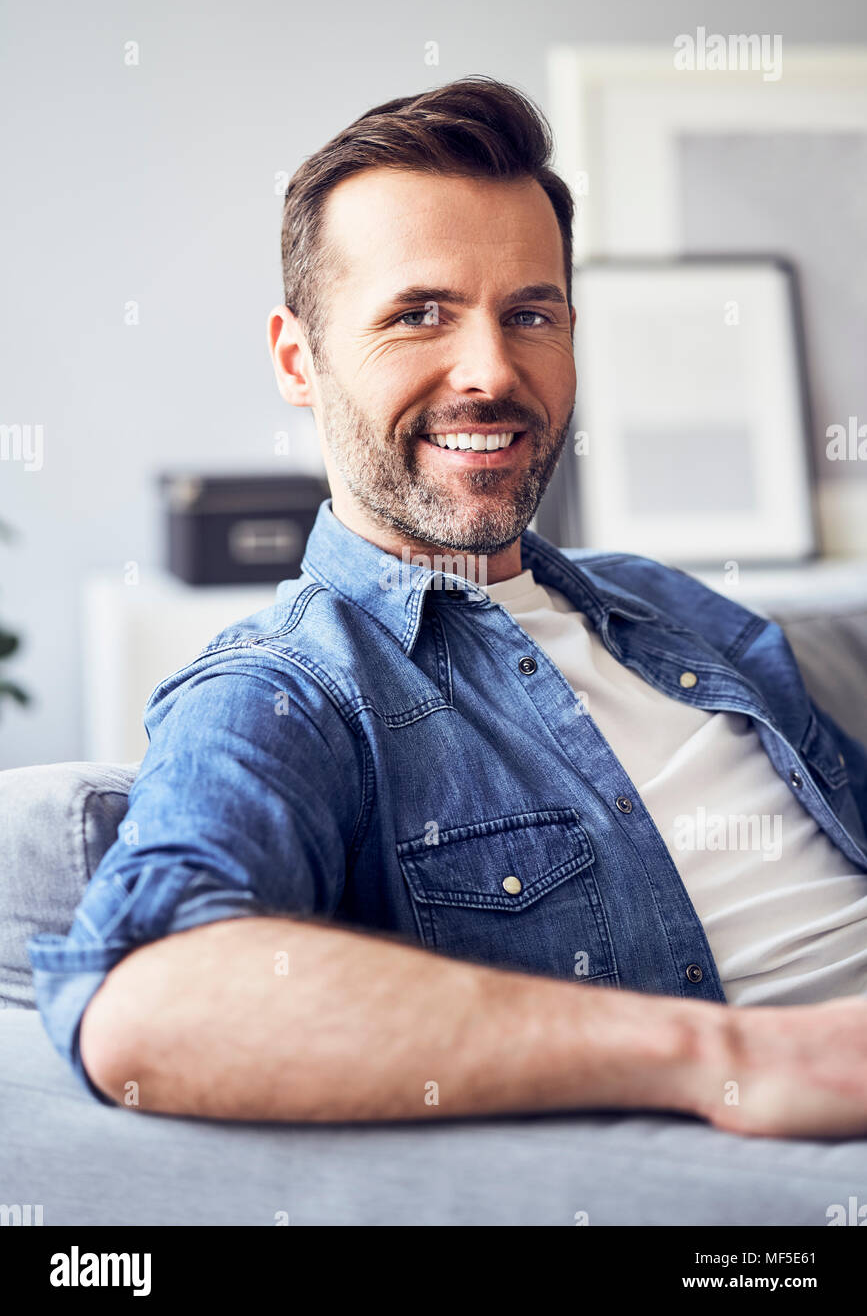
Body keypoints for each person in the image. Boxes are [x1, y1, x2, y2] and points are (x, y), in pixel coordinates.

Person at [29, 76, 867, 1137]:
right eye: (417, 314)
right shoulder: (287, 691)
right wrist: (737, 1057)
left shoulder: (671, 607)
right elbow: (150, 1006)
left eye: (530, 315)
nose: (491, 372)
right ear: (298, 359)